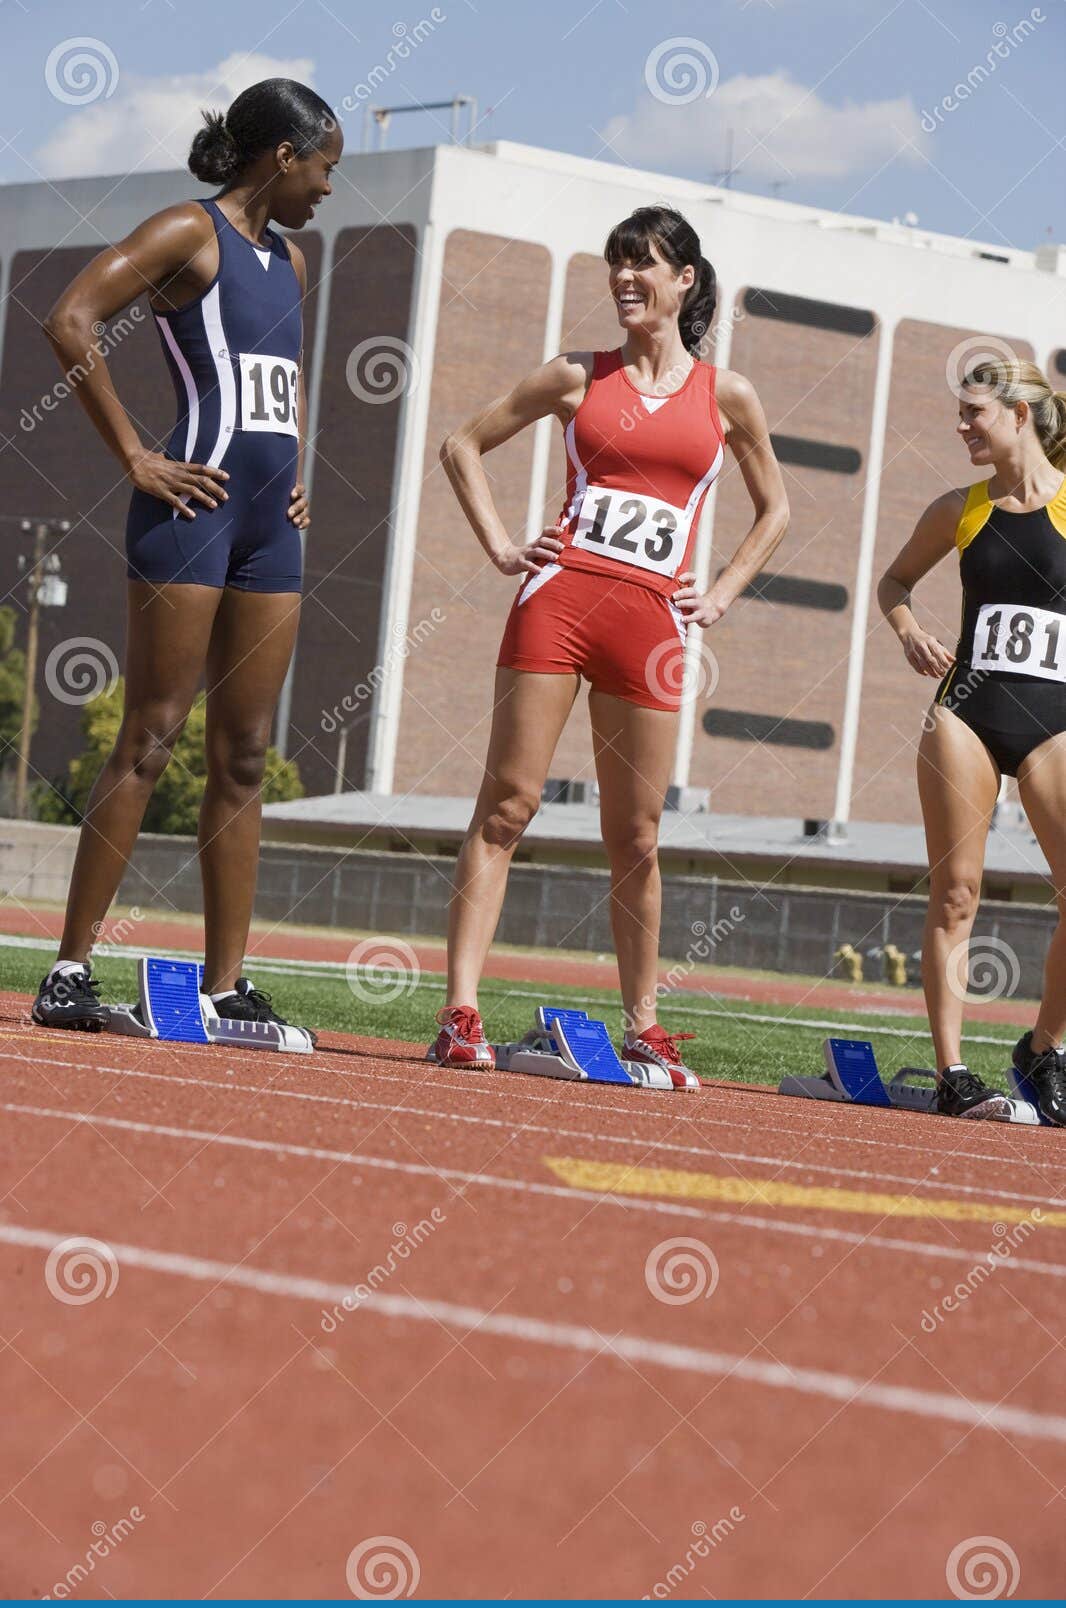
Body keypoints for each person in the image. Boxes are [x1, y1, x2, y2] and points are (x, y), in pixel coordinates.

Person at [429, 204, 789, 1089]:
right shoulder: (575, 375)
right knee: (508, 807)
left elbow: (776, 508)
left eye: (643, 263)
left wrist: (722, 592)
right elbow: (461, 444)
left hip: (652, 627)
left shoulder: (728, 396)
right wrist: (503, 548)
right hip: (558, 603)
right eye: (617, 263)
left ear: (684, 281)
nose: (625, 278)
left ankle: (644, 1027)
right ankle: (460, 1014)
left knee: (636, 835)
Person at [32, 79, 341, 1037]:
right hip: (190, 514)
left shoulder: (291, 261)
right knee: (151, 736)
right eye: (324, 168)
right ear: (282, 156)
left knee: (244, 754)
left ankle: (225, 984)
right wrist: (135, 454)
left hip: (270, 529)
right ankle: (70, 969)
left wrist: (298, 469)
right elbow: (70, 319)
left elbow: (284, 377)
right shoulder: (187, 232)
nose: (328, 189)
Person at [878, 358, 1066, 1122]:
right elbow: (893, 583)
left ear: (1019, 414)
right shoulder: (959, 508)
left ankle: (1042, 1051)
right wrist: (909, 633)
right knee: (957, 892)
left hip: (1055, 719)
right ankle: (953, 1073)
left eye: (974, 413)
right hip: (966, 712)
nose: (961, 426)